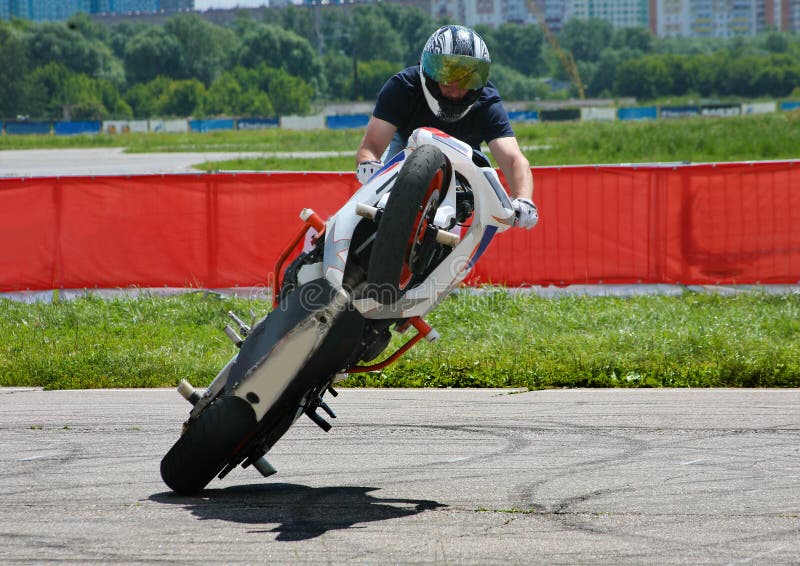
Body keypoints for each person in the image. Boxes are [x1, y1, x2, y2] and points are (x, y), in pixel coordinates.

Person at [355, 24, 538, 229]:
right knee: (374, 196)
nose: (455, 87)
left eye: (467, 77)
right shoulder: (402, 87)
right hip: (406, 146)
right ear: (429, 69)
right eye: (446, 73)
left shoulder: (486, 101)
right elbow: (371, 145)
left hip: (464, 156)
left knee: (478, 188)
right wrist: (368, 165)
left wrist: (524, 199)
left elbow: (513, 158)